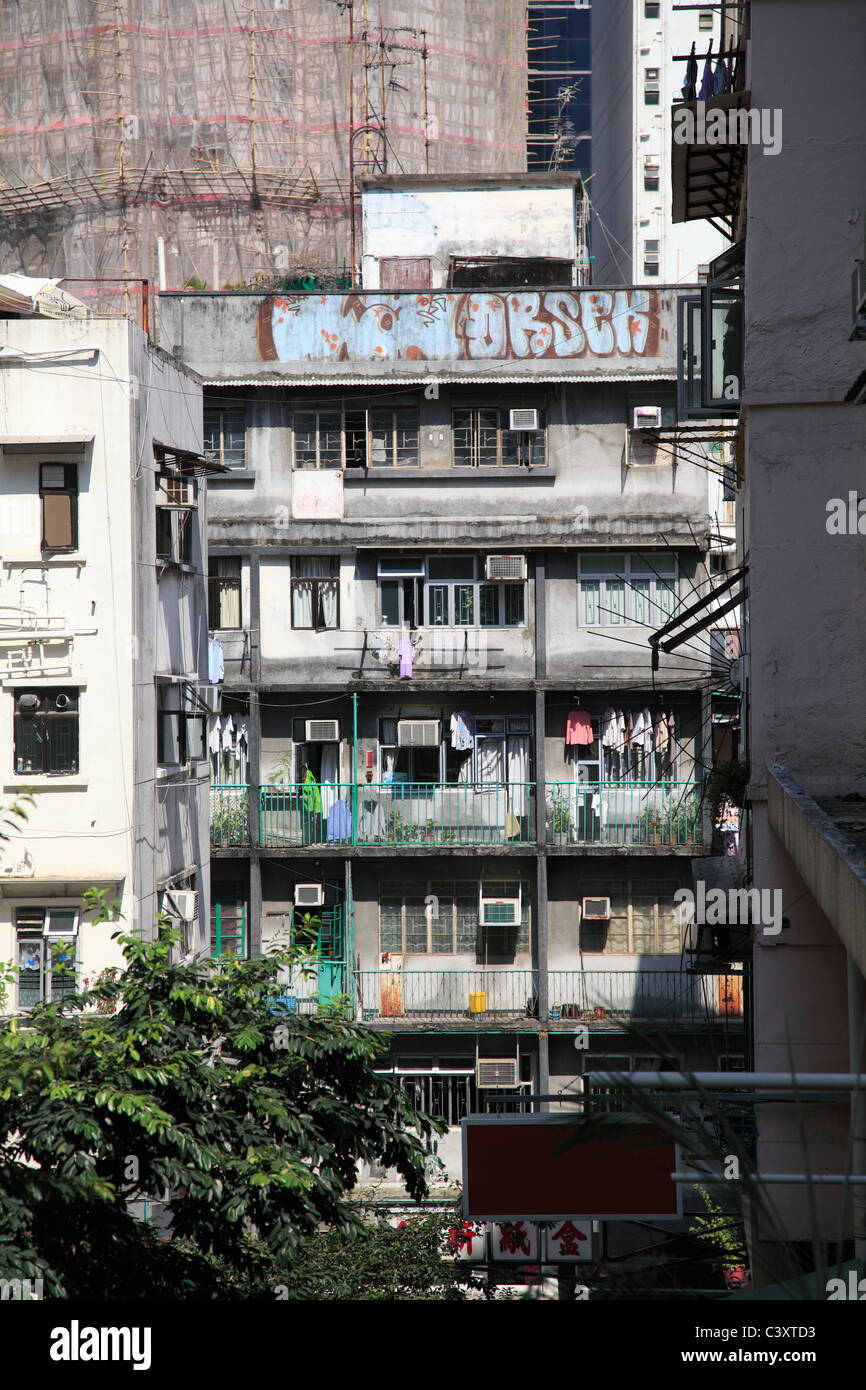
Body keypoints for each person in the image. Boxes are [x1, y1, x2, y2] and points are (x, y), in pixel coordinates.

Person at [301, 764, 323, 843]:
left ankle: (312, 839)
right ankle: (310, 839)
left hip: (311, 803)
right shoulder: (309, 778)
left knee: (312, 821)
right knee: (310, 822)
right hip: (310, 804)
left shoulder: (310, 778)